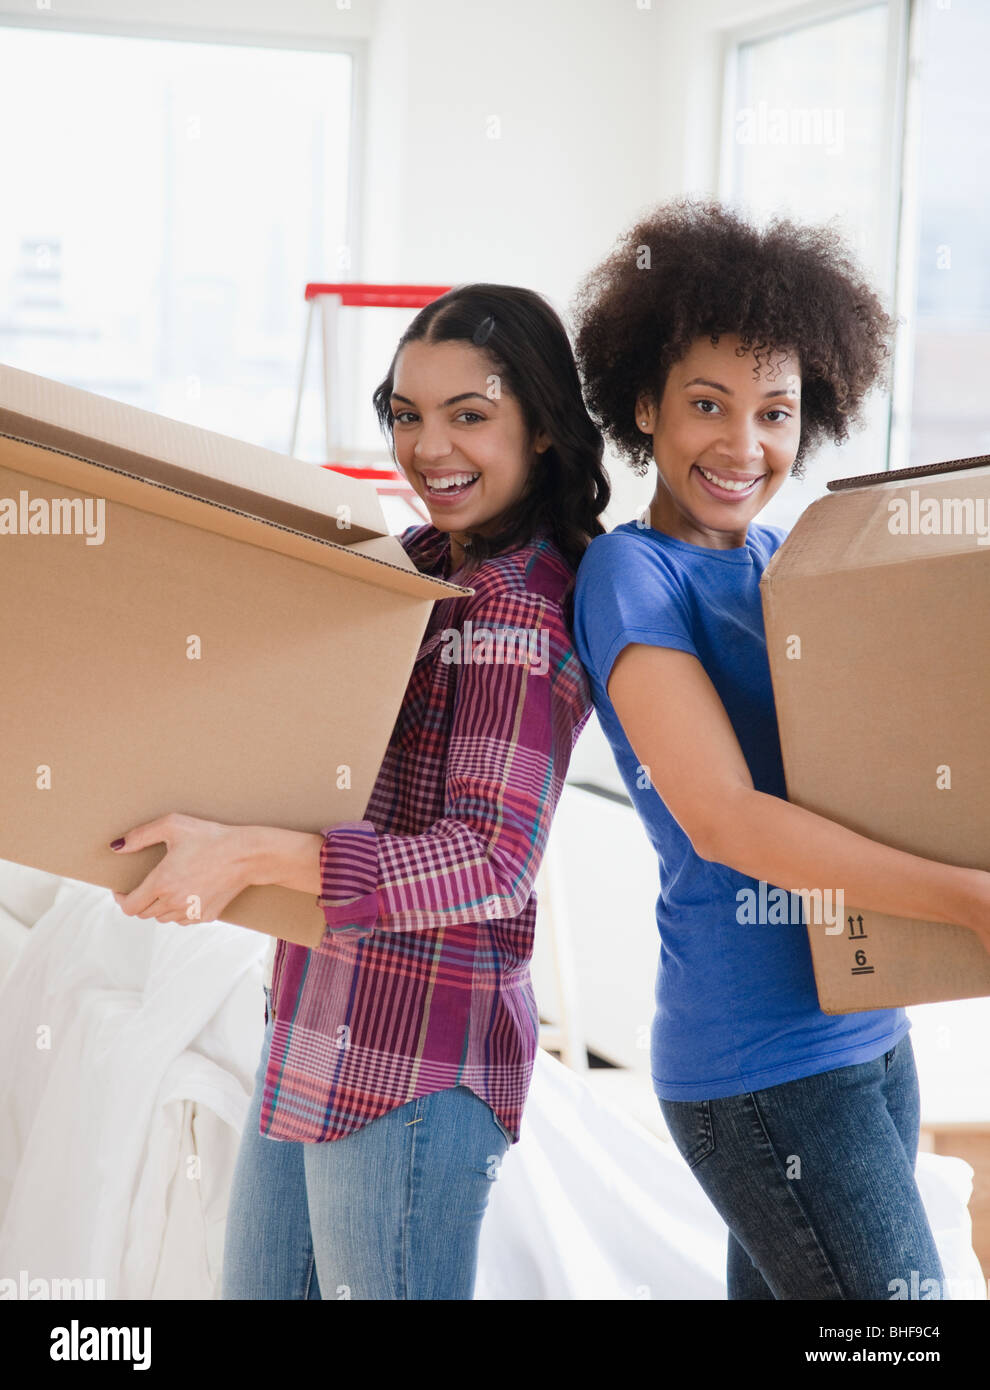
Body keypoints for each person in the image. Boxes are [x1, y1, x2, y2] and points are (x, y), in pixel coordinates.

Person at [108, 283, 609, 1300]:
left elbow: (491, 858)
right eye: (409, 415)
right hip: (313, 1019)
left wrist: (251, 853)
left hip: (413, 1062)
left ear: (544, 427)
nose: (431, 447)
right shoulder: (418, 566)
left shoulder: (522, 613)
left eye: (469, 415)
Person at [569, 198, 990, 1300]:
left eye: (776, 410)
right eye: (708, 404)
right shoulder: (633, 576)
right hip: (760, 1063)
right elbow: (727, 818)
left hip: (866, 1029)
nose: (743, 445)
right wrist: (967, 898)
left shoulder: (782, 560)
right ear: (646, 405)